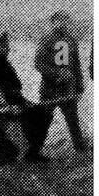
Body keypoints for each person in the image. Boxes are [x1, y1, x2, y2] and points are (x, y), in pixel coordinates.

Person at [0, 33, 52, 162]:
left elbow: (16, 86)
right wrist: (8, 105)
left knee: (44, 113)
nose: (8, 49)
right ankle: (31, 152)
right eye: (5, 46)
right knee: (41, 115)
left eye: (7, 46)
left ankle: (33, 150)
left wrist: (24, 101)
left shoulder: (4, 62)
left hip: (17, 100)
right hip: (8, 104)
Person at [34, 10, 87, 154]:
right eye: (59, 20)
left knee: (72, 118)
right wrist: (57, 74)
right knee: (44, 120)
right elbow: (38, 63)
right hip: (50, 88)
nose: (63, 23)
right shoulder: (46, 39)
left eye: (65, 20)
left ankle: (80, 147)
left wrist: (79, 85)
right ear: (53, 23)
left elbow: (76, 65)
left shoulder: (71, 40)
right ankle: (34, 151)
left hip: (68, 88)